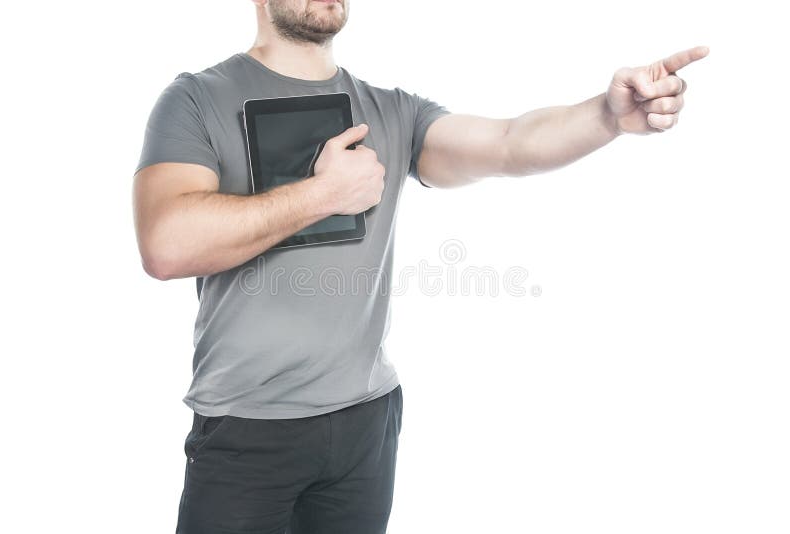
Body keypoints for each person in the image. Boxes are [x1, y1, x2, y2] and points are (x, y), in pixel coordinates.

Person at [132, 1, 709, 532]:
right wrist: (320, 195)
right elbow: (166, 243)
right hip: (246, 429)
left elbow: (510, 143)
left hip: (366, 424)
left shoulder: (392, 109)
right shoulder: (196, 98)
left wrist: (606, 116)